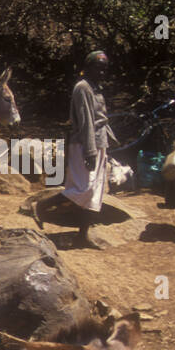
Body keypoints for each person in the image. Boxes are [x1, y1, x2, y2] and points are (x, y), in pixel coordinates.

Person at [33, 51, 112, 247]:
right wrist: (90, 151)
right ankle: (42, 205)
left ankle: (82, 235)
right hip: (84, 144)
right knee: (82, 188)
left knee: (95, 191)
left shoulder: (96, 88)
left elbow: (100, 119)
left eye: (104, 68)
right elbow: (86, 122)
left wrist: (109, 139)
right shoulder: (82, 88)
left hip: (99, 142)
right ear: (88, 67)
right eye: (98, 67)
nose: (102, 72)